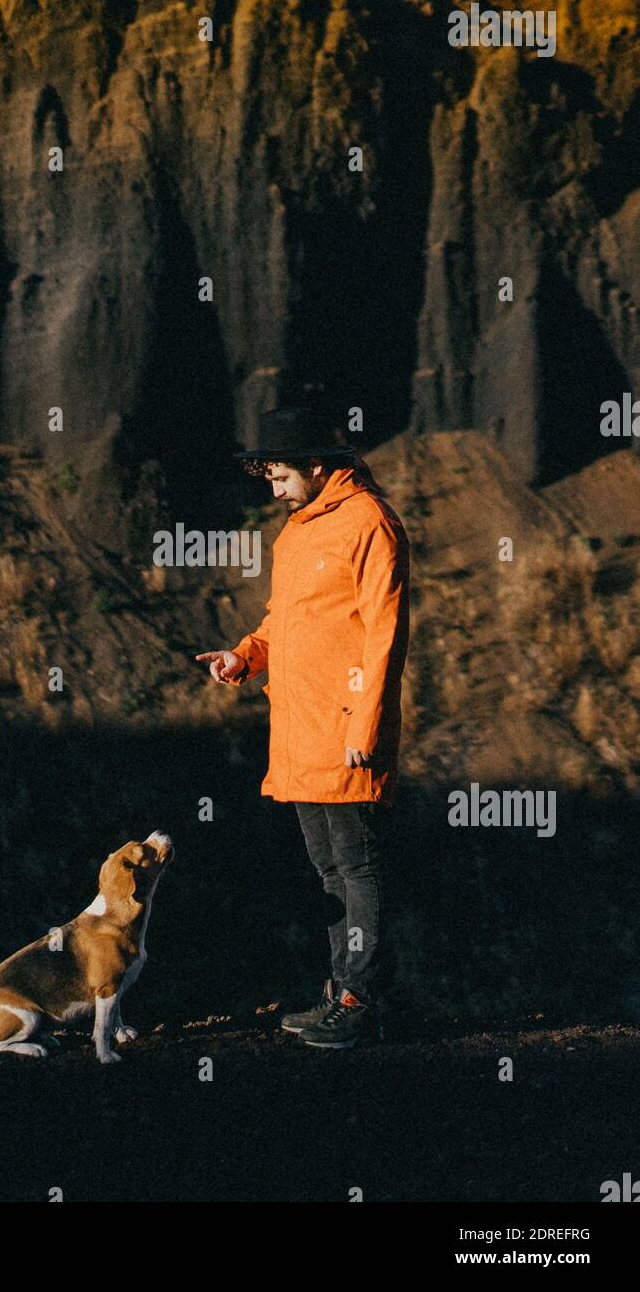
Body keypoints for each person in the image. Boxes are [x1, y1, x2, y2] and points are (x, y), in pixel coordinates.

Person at [196, 406, 410, 1049]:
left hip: (346, 731)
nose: (273, 488)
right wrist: (246, 655)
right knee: (330, 872)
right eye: (268, 477)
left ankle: (363, 1002)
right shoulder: (298, 531)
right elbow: (284, 620)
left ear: (317, 466)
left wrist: (366, 728)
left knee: (358, 867)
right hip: (300, 730)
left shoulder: (370, 523)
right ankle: (341, 993)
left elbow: (385, 636)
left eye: (281, 475)